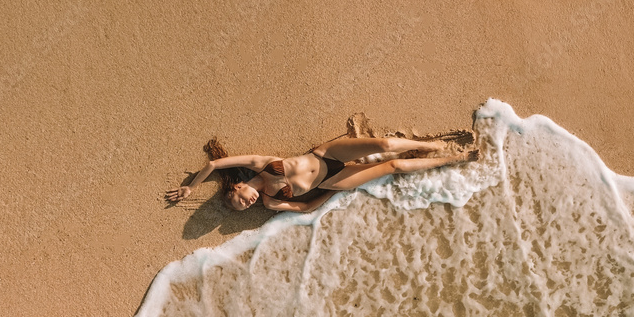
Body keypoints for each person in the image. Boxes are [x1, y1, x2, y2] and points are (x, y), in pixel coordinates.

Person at [165, 135, 479, 213]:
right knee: (393, 166)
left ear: (238, 186)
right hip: (332, 181)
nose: (245, 205)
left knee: (384, 143)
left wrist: (191, 188)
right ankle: (457, 157)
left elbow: (216, 165)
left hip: (327, 155)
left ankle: (430, 145)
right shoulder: (271, 203)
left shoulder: (263, 164)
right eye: (242, 209)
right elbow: (305, 206)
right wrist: (333, 190)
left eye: (239, 200)